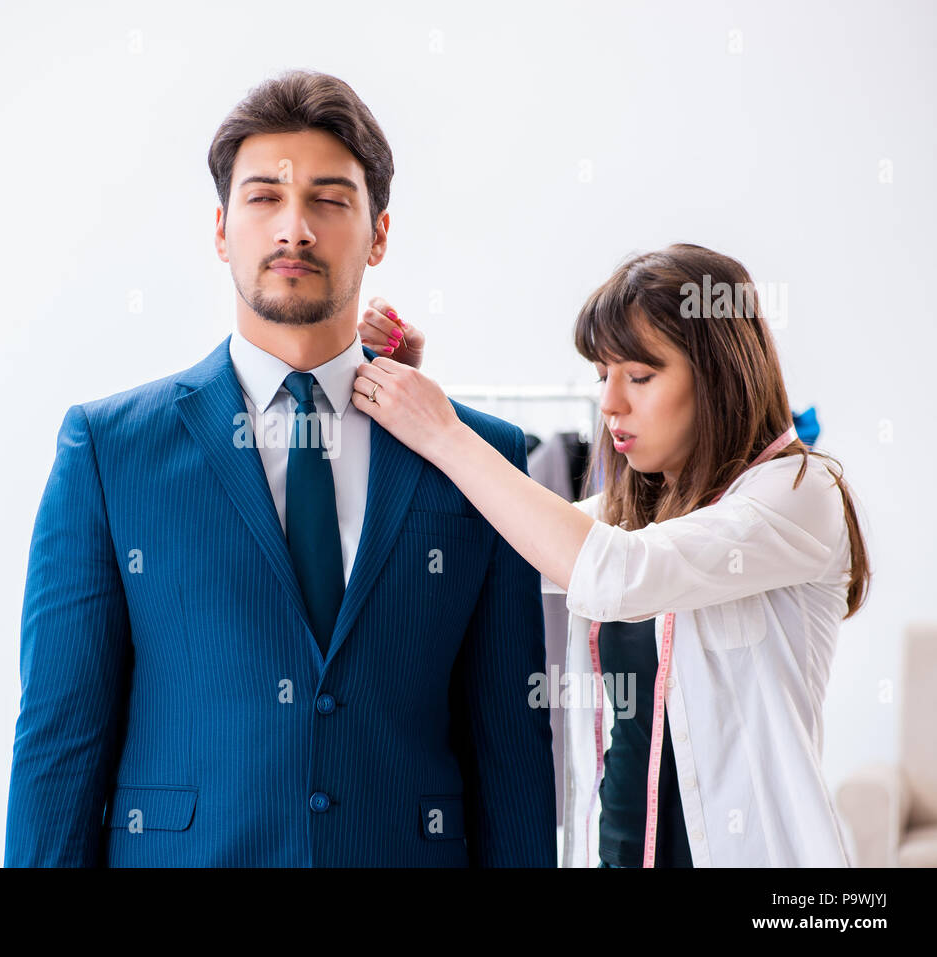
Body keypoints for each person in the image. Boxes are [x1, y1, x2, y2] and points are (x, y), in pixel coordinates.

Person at [3, 69, 556, 867]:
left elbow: (510, 747)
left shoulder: (481, 457)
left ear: (379, 234)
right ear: (222, 229)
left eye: (330, 200)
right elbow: (59, 739)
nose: (294, 228)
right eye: (265, 198)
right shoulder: (109, 450)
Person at [353, 244, 871, 867]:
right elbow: (514, 532)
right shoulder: (638, 513)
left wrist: (440, 428)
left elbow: (614, 572)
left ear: (720, 373)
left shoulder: (798, 494)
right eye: (604, 375)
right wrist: (412, 393)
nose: (609, 404)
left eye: (640, 377)